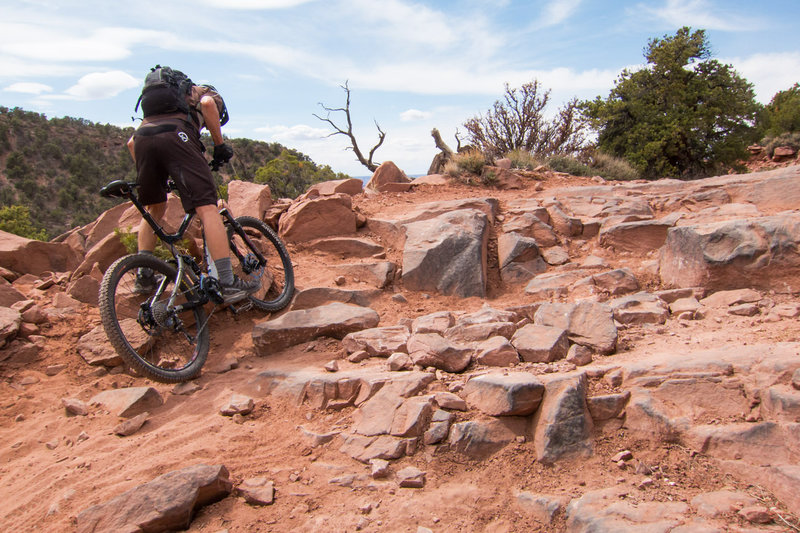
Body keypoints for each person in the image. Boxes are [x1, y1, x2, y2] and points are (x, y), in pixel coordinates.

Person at [126, 70, 258, 303]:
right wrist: (219, 145)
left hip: (143, 141)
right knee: (207, 208)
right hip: (177, 137)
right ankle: (226, 282)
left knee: (154, 208)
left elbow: (131, 143)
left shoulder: (155, 110)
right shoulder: (203, 93)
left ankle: (144, 275)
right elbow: (207, 104)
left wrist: (160, 175)